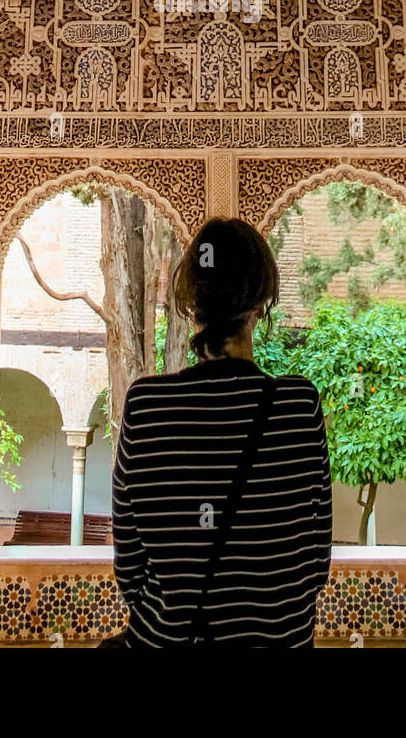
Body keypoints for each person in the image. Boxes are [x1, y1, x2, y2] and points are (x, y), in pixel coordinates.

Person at [111, 217, 333, 646]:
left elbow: (131, 567)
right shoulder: (297, 405)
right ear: (260, 305)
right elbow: (315, 559)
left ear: (191, 306)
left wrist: (174, 616)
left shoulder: (147, 405)